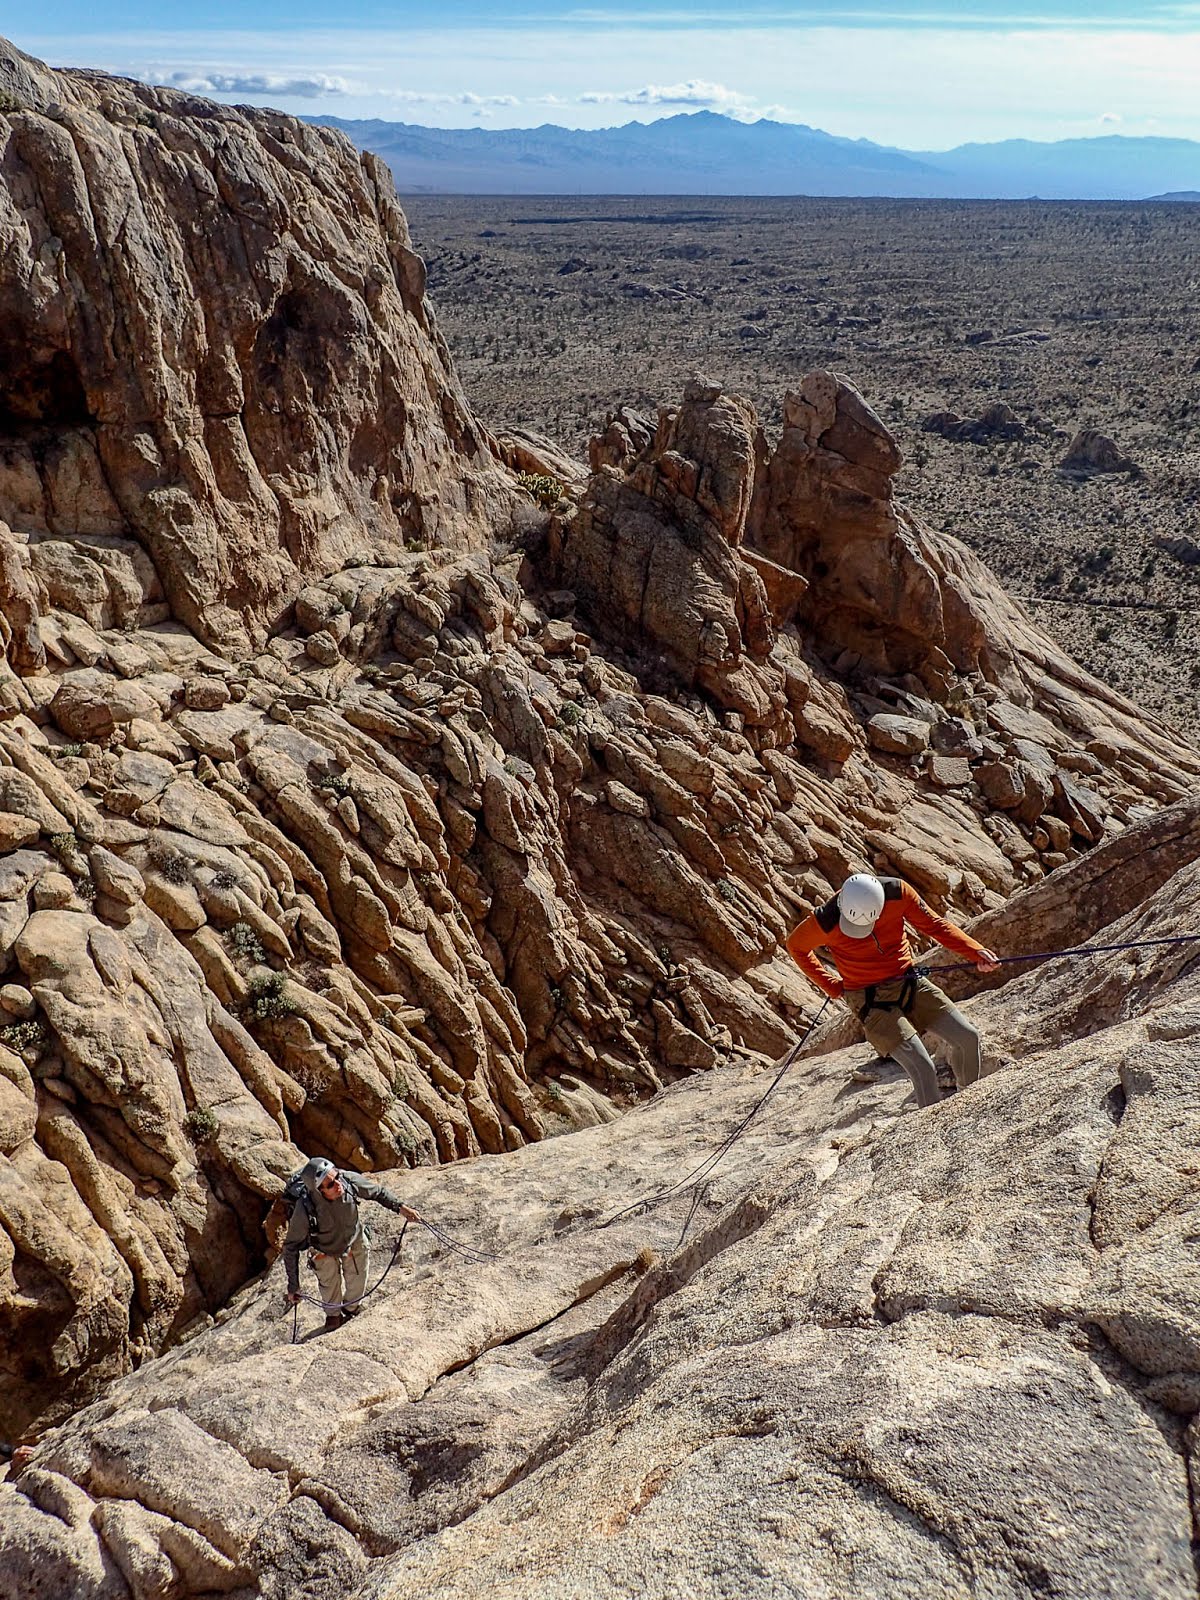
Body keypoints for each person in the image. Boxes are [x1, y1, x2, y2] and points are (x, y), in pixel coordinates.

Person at [785, 872, 1000, 1109]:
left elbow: (935, 926)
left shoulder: (898, 893)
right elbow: (796, 947)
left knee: (968, 1037)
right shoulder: (826, 920)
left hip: (907, 980)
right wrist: (832, 986)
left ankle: (967, 1104)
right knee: (922, 1066)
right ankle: (932, 1126)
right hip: (868, 998)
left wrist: (974, 951)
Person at [283, 1156, 420, 1329]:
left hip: (353, 1239)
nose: (338, 1184)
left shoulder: (348, 1180)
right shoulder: (305, 1209)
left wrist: (401, 1208)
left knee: (358, 1281)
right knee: (329, 1284)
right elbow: (290, 1247)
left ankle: (351, 1308)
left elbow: (377, 1192)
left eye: (337, 1177)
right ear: (318, 1190)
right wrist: (293, 1286)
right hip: (323, 1249)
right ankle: (333, 1316)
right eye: (331, 1184)